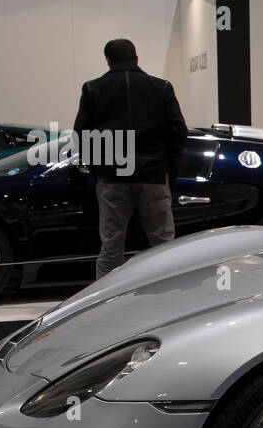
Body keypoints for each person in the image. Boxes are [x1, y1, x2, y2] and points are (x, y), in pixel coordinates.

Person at [73, 38, 187, 278]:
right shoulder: (161, 87)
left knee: (111, 248)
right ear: (136, 58)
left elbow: (81, 134)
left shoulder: (92, 89)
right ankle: (170, 298)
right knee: (164, 245)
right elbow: (179, 132)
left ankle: (106, 303)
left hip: (113, 178)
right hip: (153, 176)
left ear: (108, 61)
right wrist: (168, 169)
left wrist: (99, 170)